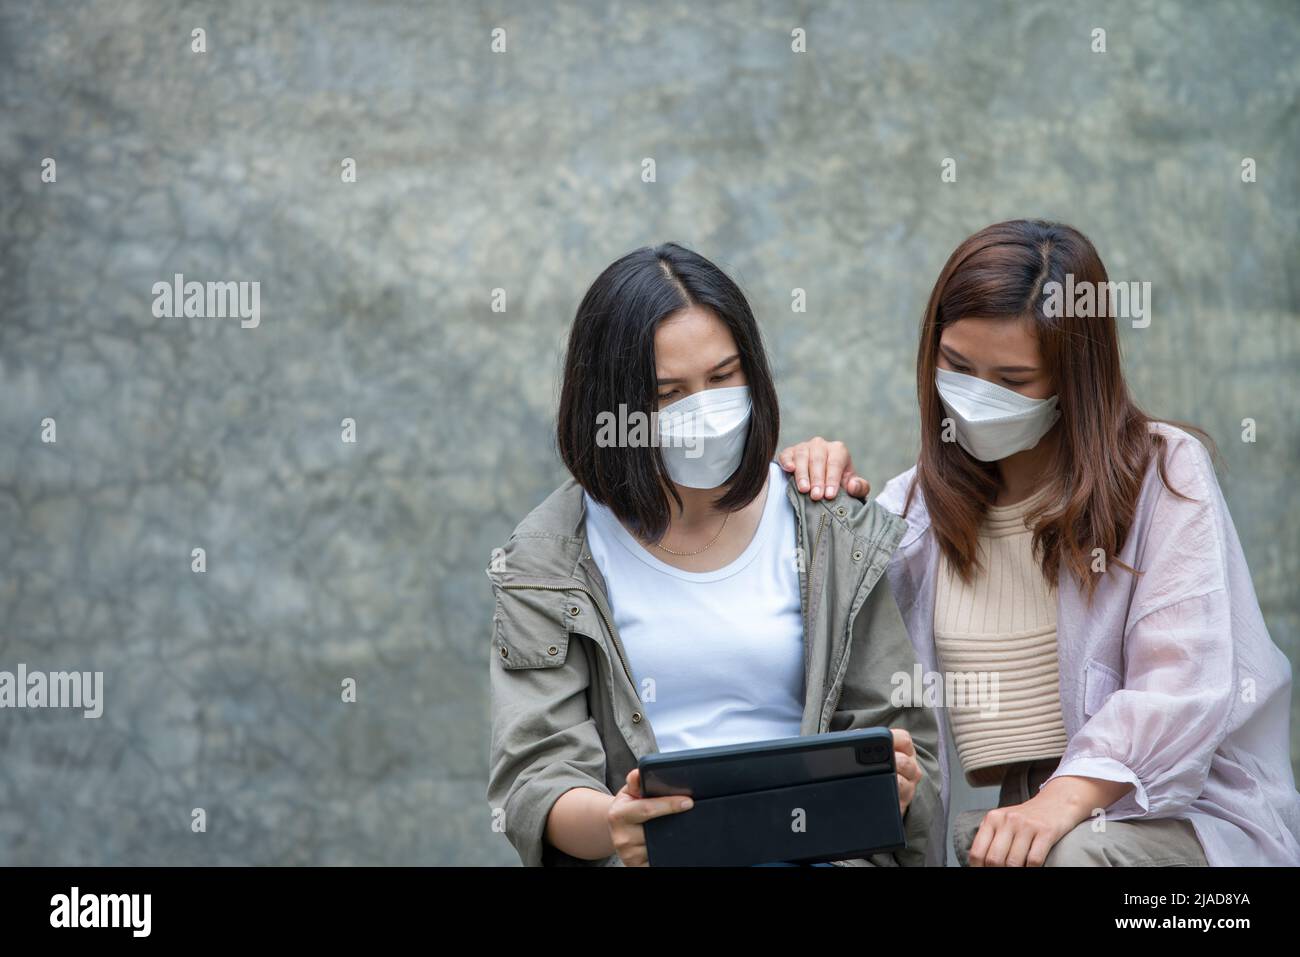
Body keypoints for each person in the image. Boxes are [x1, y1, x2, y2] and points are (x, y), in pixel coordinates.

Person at [781, 219, 1300, 866]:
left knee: (1071, 855)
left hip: (1178, 814)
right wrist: (811, 493)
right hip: (1014, 814)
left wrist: (1062, 800)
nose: (977, 398)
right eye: (959, 367)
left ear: (1073, 378)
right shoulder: (914, 510)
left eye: (1013, 380)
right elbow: (840, 647)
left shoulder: (1163, 474)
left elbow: (1181, 685)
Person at [486, 242, 941, 866]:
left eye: (723, 378)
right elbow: (536, 775)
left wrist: (897, 784)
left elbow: (903, 736)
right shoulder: (547, 563)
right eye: (668, 393)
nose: (704, 411)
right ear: (608, 408)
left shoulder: (832, 530)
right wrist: (620, 824)